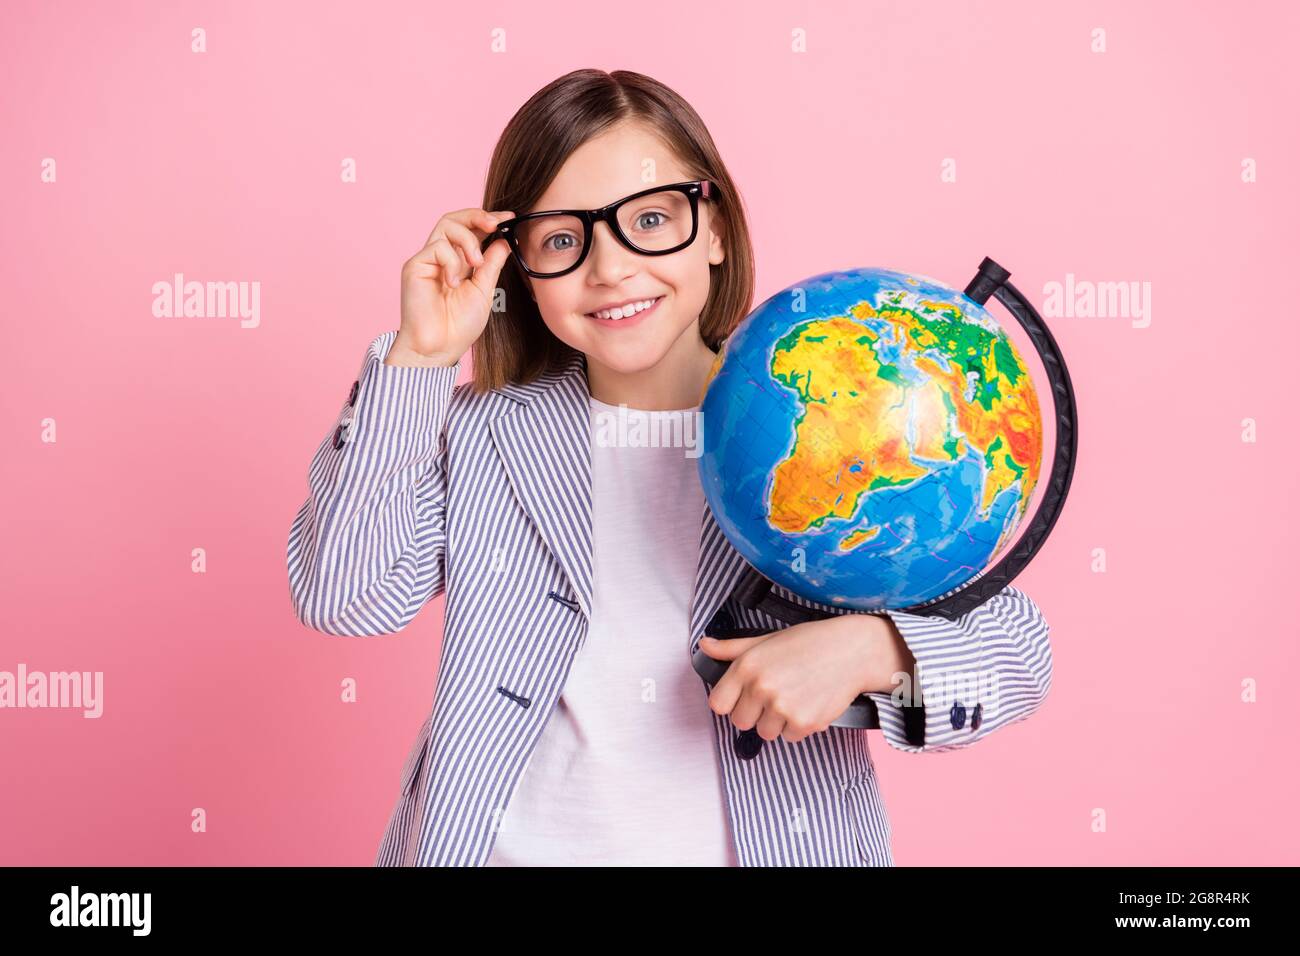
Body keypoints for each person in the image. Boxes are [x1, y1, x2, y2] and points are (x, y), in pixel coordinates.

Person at [286, 68, 1053, 867]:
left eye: (651, 219)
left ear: (714, 229)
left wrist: (874, 652)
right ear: (517, 269)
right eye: (561, 238)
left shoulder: (830, 422)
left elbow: (1017, 652)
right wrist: (420, 359)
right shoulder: (481, 434)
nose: (610, 268)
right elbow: (347, 596)